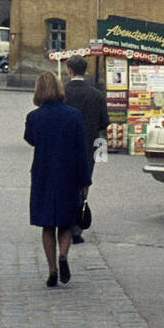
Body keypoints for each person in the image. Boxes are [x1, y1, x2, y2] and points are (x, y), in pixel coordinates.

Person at [24, 70, 91, 287]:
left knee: (46, 225)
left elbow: (30, 139)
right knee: (66, 221)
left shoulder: (34, 117)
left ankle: (52, 269)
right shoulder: (73, 115)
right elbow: (82, 149)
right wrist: (84, 181)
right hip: (68, 174)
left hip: (43, 174)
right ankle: (63, 254)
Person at [62, 56, 109, 243]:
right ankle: (77, 228)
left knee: (65, 184)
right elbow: (104, 123)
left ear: (69, 70)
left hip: (65, 147)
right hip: (89, 146)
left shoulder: (62, 92)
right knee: (83, 184)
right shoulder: (97, 95)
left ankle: (64, 224)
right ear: (85, 71)